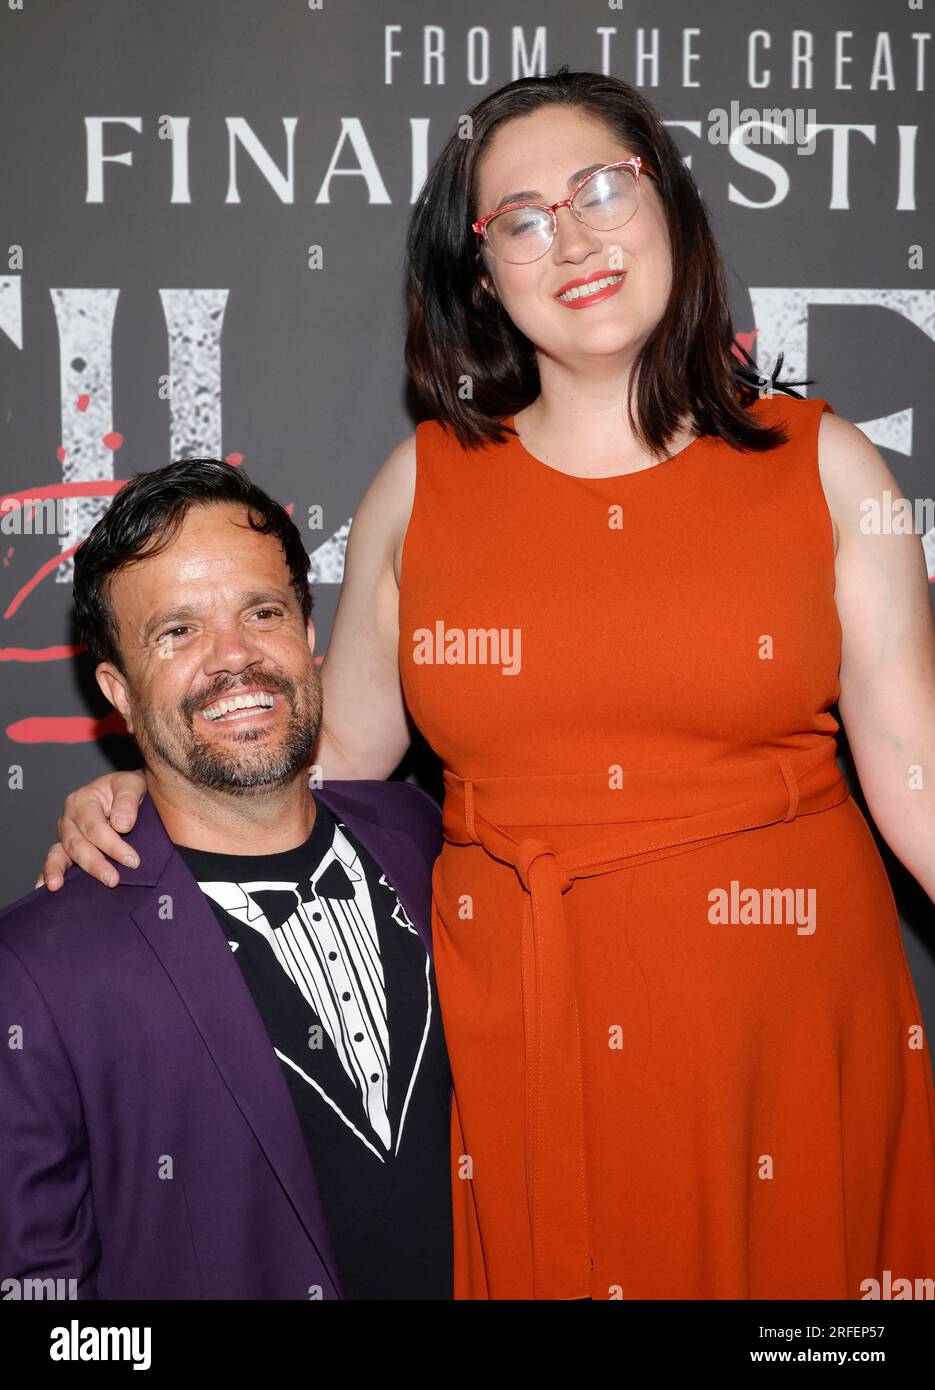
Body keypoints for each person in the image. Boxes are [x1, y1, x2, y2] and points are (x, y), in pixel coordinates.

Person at [38, 69, 935, 1300]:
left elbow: (914, 773)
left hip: (780, 1021)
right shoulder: (424, 484)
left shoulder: (826, 464)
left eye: (599, 189)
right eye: (516, 218)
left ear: (665, 199)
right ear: (482, 274)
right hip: (527, 1025)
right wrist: (136, 793)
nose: (568, 238)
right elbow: (331, 757)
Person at [2, 460, 453, 1300]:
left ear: (308, 635)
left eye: (263, 612)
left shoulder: (428, 839)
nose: (235, 657)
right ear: (118, 693)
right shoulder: (33, 968)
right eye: (177, 632)